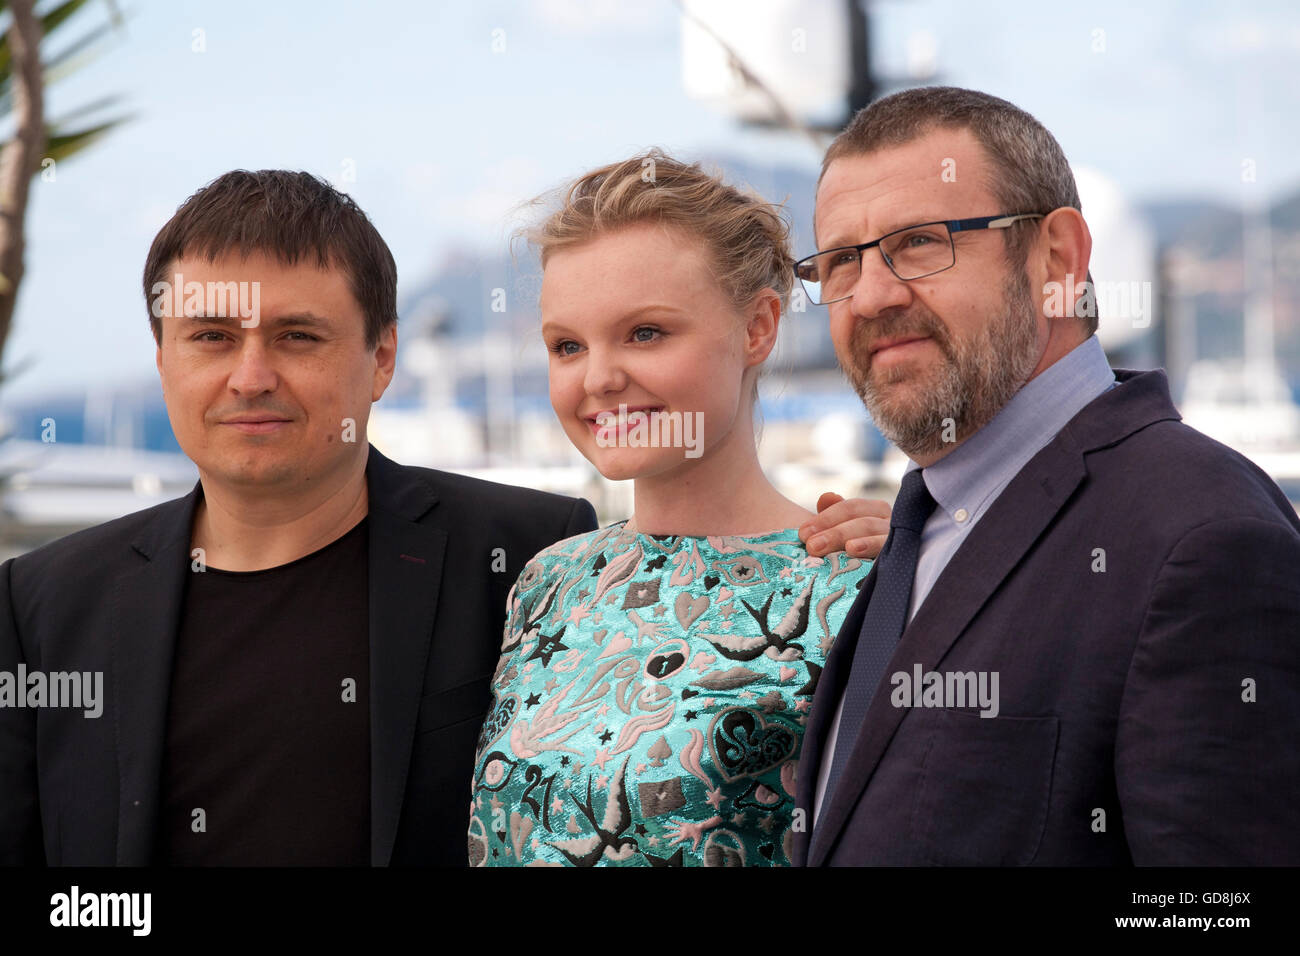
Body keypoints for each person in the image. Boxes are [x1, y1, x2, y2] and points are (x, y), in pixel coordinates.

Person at [0, 170, 597, 866]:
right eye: (212, 337)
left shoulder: (534, 556)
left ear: (381, 358)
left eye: (297, 337)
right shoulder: (43, 606)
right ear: (164, 361)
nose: (251, 377)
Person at [792, 86, 1300, 866]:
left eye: (922, 241)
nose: (872, 295)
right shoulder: (919, 535)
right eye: (840, 261)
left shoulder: (1201, 538)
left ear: (1057, 257)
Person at [467, 151, 890, 867]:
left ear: (758, 328)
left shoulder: (854, 587)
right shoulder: (547, 583)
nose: (599, 378)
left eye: (645, 333)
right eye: (567, 346)